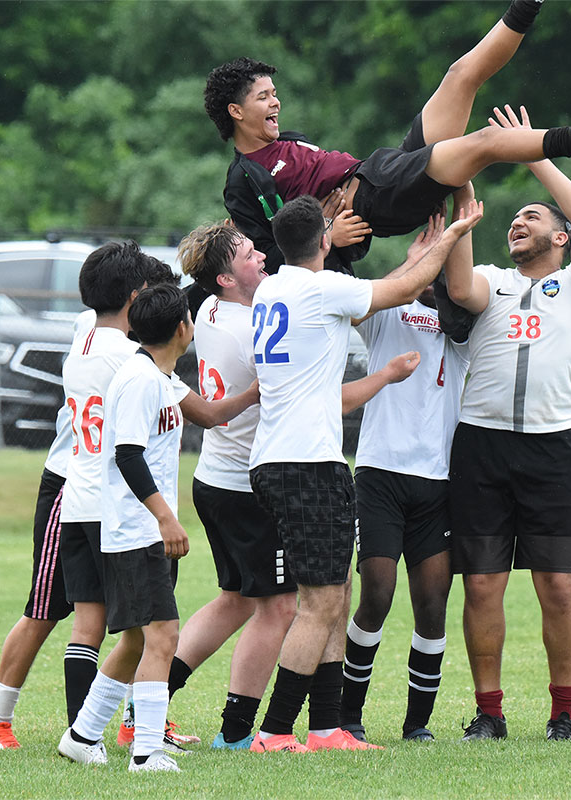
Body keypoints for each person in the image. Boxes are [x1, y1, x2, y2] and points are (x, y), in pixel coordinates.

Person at [167, 219, 434, 750]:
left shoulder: (221, 311)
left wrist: (320, 233)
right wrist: (382, 374)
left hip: (225, 475)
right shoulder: (262, 316)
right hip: (261, 475)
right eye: (248, 254)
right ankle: (246, 731)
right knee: (289, 605)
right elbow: (328, 375)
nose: (261, 258)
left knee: (245, 601)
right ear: (223, 278)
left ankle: (150, 705)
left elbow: (336, 288)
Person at [247, 194, 483, 753]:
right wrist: (451, 236)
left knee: (337, 591)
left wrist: (416, 258)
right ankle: (277, 731)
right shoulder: (320, 287)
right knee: (323, 603)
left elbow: (389, 289)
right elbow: (397, 292)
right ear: (325, 243)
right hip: (306, 461)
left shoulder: (276, 288)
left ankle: (329, 727)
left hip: (283, 457)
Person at [204, 0, 571, 276]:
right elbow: (259, 258)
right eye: (264, 98)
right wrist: (325, 240)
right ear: (236, 112)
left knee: (460, 76)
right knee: (484, 143)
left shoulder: (289, 141)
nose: (276, 103)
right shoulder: (243, 179)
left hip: (381, 170)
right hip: (379, 197)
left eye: (275, 94)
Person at [442, 104, 571, 742]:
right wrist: (467, 169)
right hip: (481, 447)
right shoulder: (490, 281)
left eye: (532, 216)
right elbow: (457, 288)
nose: (519, 220)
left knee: (558, 589)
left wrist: (530, 150)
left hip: (550, 450)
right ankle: (490, 712)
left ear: (558, 238)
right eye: (515, 217)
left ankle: (563, 712)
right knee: (482, 584)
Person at [338, 218, 472, 744]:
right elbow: (362, 302)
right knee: (376, 592)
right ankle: (349, 715)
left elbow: (463, 299)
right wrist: (414, 265)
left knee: (433, 603)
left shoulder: (462, 329)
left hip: (438, 483)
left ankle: (417, 724)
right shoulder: (390, 313)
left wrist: (448, 258)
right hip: (380, 475)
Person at [56, 284, 196, 773]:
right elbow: (128, 455)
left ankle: (81, 735)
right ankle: (147, 753)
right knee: (164, 635)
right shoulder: (141, 380)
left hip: (135, 530)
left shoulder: (155, 374)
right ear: (182, 329)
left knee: (137, 640)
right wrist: (165, 517)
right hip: (137, 531)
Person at [0, 312, 94, 749]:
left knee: (142, 611)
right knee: (45, 608)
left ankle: (136, 718)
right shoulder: (98, 334)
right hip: (71, 481)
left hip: (115, 489)